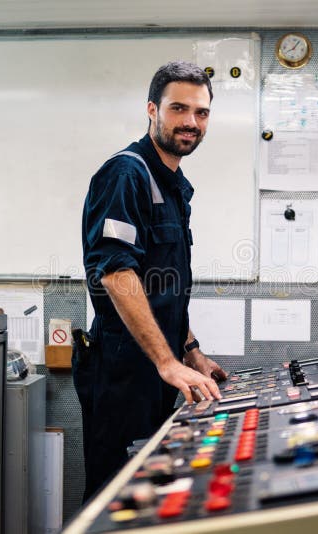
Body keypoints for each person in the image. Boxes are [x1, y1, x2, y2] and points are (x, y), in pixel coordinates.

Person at [74, 61, 228, 501]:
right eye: (178, 108)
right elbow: (118, 273)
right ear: (152, 110)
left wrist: (190, 352)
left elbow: (162, 289)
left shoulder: (175, 184)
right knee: (118, 496)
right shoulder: (126, 174)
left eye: (201, 113)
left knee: (150, 495)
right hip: (125, 369)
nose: (190, 122)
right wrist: (166, 361)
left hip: (159, 367)